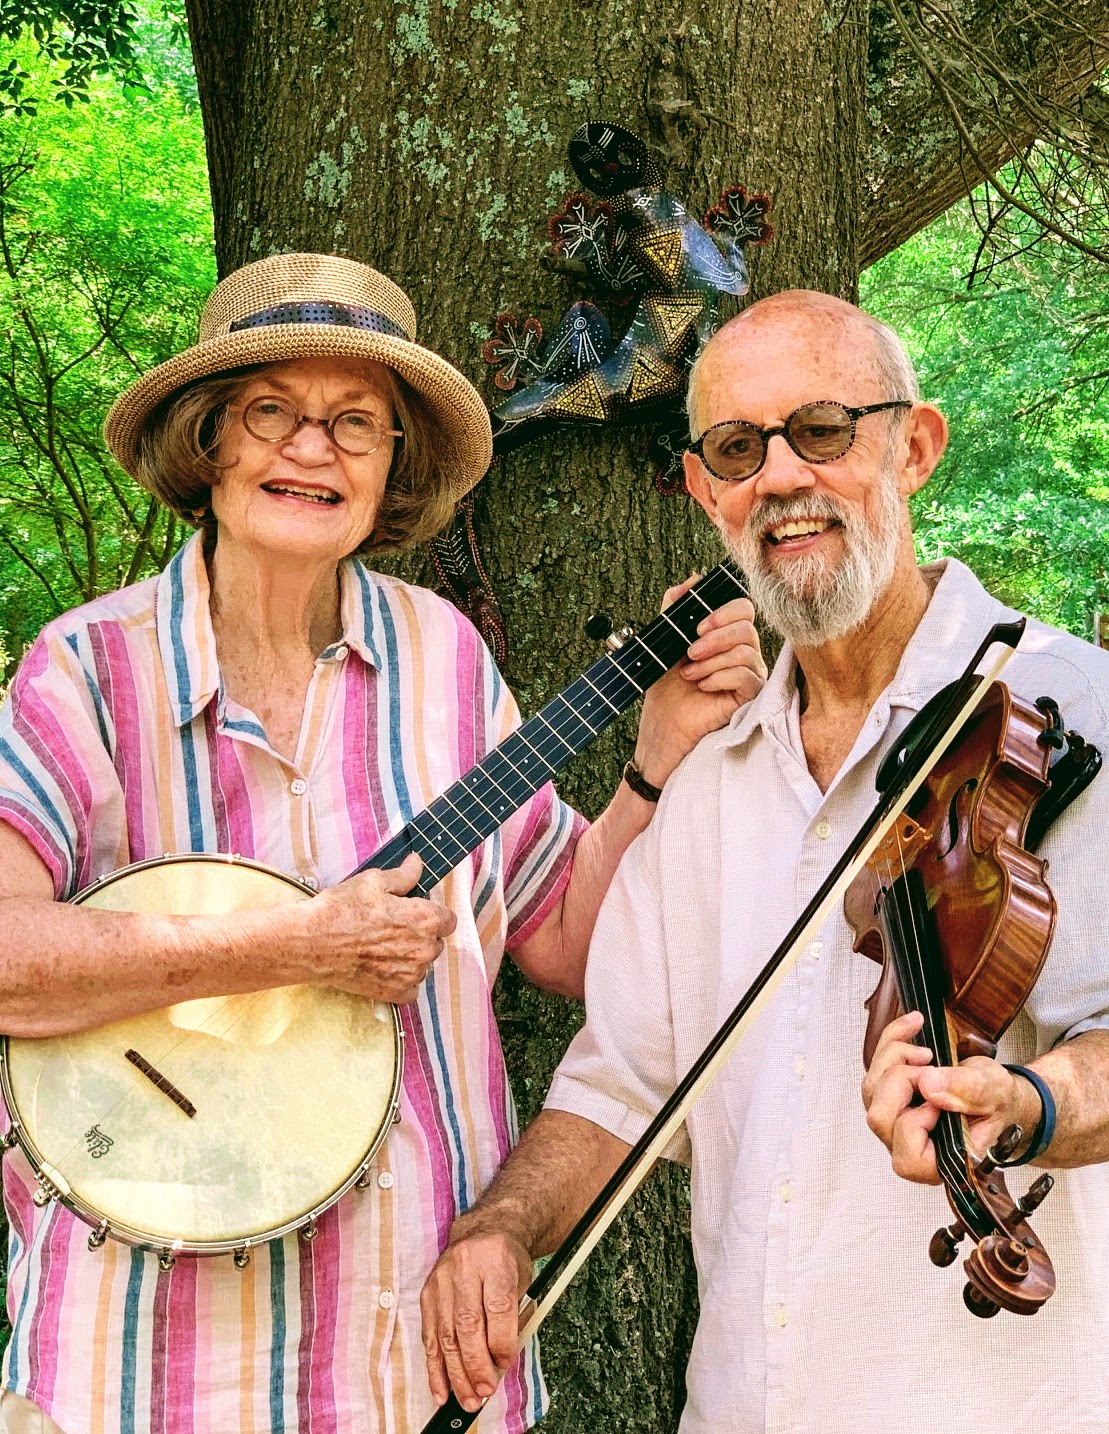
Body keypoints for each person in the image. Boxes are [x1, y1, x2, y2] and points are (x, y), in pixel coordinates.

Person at [0, 252, 768, 1434]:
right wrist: (294, 945)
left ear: (392, 468)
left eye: (357, 425)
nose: (314, 449)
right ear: (209, 444)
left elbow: (565, 938)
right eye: (273, 413)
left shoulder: (444, 660)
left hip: (408, 1353)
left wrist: (653, 762)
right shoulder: (87, 674)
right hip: (147, 1361)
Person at [421, 289, 1109, 1434]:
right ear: (704, 490)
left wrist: (1025, 1105)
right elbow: (619, 1084)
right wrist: (502, 1226)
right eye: (738, 448)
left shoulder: (1065, 715)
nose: (781, 477)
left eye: (824, 429)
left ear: (914, 446)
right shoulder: (703, 779)